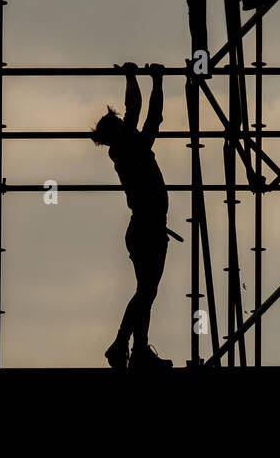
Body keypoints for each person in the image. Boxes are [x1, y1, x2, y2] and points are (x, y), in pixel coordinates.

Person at [93, 61, 172, 368]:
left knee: (146, 292)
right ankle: (121, 343)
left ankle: (137, 349)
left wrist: (146, 79)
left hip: (144, 227)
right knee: (146, 292)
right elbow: (142, 110)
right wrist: (149, 79)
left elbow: (142, 112)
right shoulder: (133, 148)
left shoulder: (130, 148)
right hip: (148, 228)